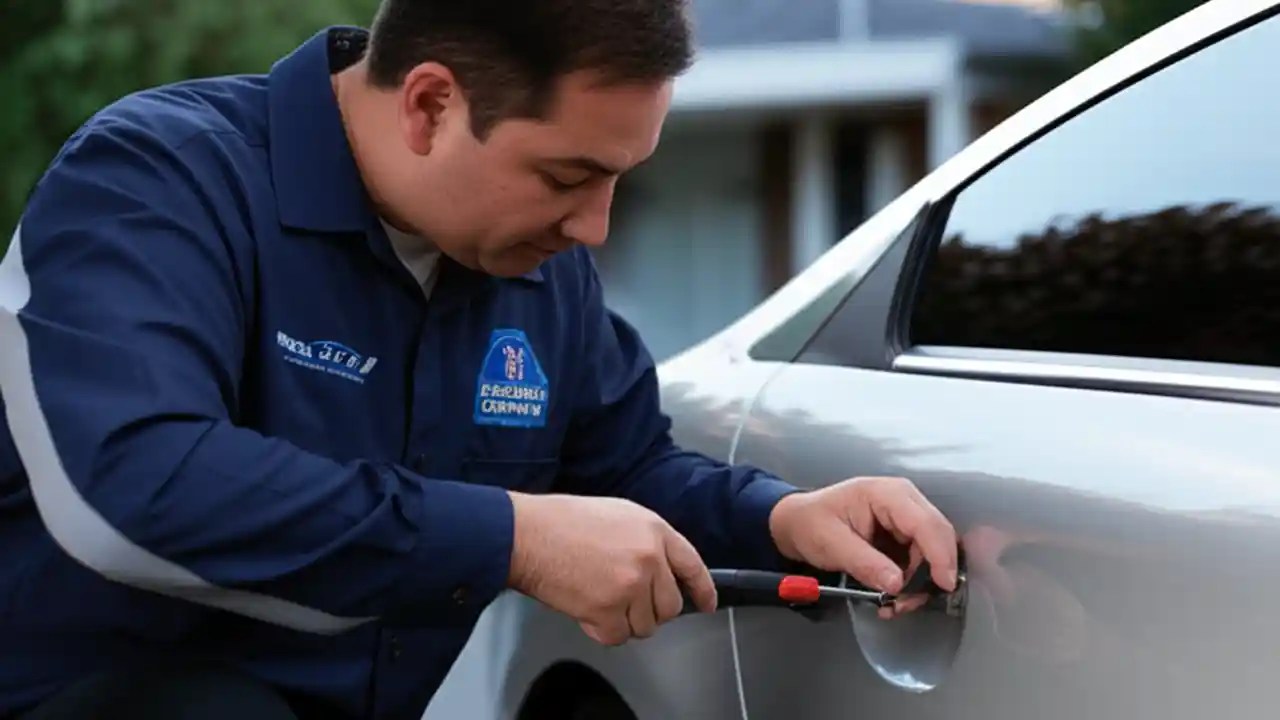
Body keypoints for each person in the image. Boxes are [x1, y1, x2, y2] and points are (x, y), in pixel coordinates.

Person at [0, 1, 959, 718]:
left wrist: (783, 518)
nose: (592, 228)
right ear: (429, 105)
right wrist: (515, 537)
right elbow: (131, 490)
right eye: (566, 176)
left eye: (619, 179)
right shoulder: (157, 182)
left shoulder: (530, 270)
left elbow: (621, 469)